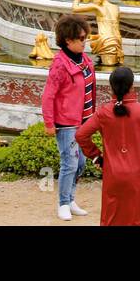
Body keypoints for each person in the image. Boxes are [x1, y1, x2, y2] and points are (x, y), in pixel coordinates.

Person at [75, 67, 140, 226]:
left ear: (111, 87)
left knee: (113, 217)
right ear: (132, 86)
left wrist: (97, 157)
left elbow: (80, 135)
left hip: (113, 172)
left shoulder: (103, 112)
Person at [42, 15, 95, 221]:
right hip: (66, 122)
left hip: (84, 121)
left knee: (81, 163)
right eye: (81, 38)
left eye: (85, 37)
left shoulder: (84, 60)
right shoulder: (60, 64)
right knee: (69, 163)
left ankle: (70, 199)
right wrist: (49, 122)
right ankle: (63, 203)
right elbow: (49, 95)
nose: (84, 41)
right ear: (67, 40)